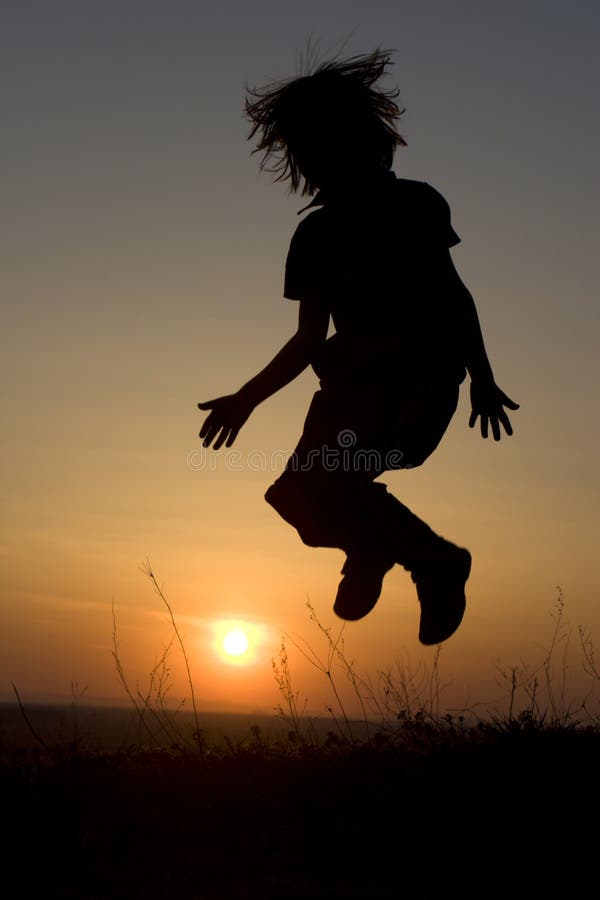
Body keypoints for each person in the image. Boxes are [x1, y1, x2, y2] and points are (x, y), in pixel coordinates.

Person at [198, 49, 519, 644]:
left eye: (329, 141)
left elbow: (453, 295)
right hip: (345, 394)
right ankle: (375, 549)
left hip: (412, 387)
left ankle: (433, 561)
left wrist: (483, 375)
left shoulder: (414, 204)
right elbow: (308, 339)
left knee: (332, 488)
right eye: (309, 148)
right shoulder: (314, 235)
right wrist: (245, 399)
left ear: (363, 139)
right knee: (298, 497)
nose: (320, 158)